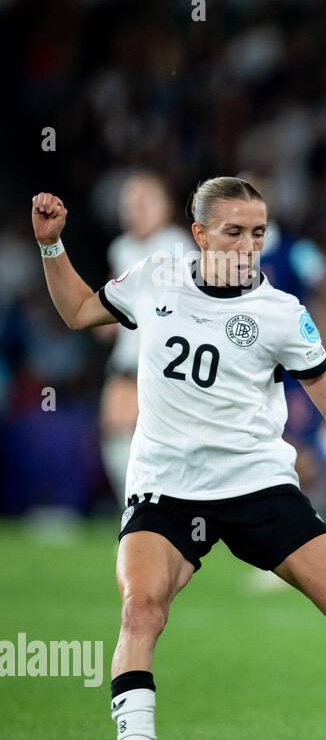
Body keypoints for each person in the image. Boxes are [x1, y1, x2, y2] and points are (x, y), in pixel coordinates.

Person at [32, 176, 326, 740]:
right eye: (233, 232)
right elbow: (79, 311)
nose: (246, 245)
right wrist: (52, 248)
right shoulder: (157, 278)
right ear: (200, 234)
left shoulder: (282, 314)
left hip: (257, 486)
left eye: (257, 233)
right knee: (140, 611)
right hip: (166, 486)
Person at [98, 172, 189, 502]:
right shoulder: (121, 248)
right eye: (128, 204)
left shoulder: (176, 245)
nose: (134, 210)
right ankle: (134, 506)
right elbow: (112, 300)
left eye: (144, 202)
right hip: (125, 358)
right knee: (114, 428)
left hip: (161, 361)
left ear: (166, 206)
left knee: (146, 436)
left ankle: (152, 509)